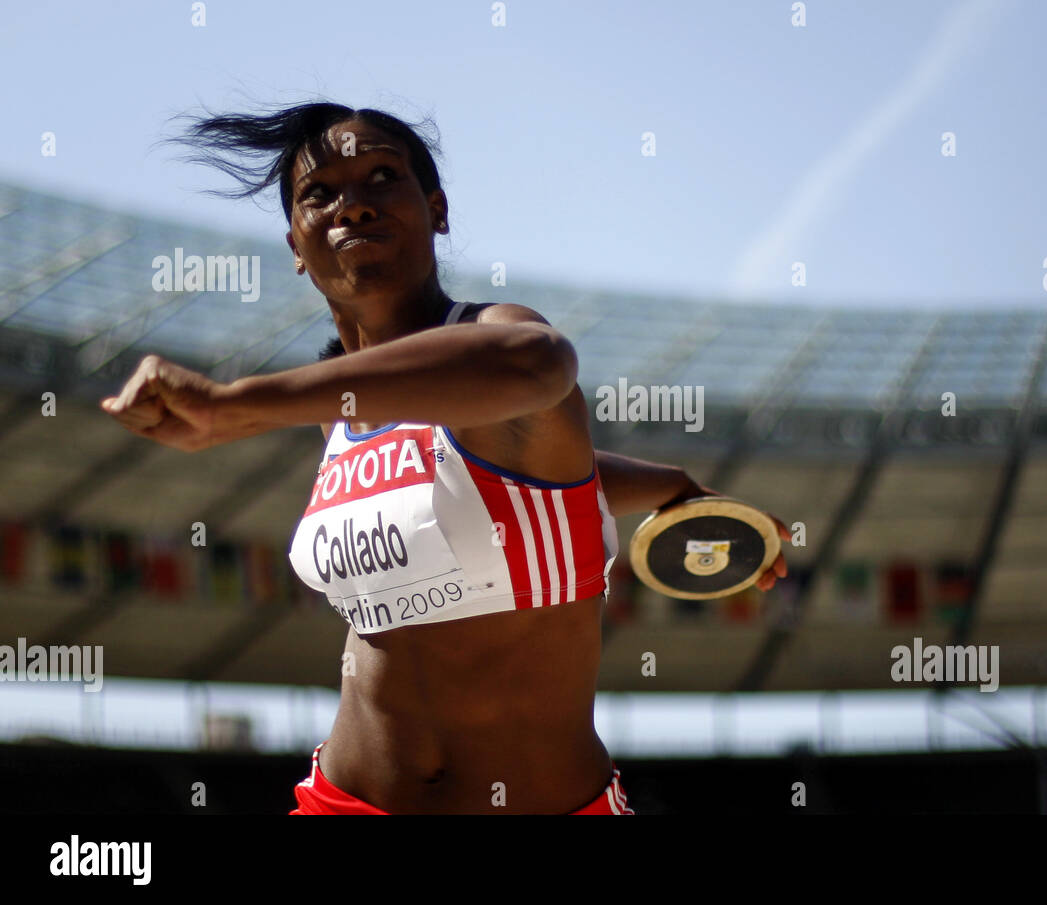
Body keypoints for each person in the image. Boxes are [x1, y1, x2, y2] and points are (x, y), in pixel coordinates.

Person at [101, 102, 790, 814]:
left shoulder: (502, 337)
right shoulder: (340, 419)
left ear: (437, 210)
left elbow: (536, 369)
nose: (354, 206)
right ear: (295, 248)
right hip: (345, 800)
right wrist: (665, 483)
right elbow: (474, 480)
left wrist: (236, 404)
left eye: (380, 176)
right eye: (320, 192)